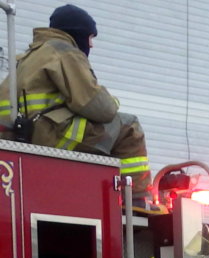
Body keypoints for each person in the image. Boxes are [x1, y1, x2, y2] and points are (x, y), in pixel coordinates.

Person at [0, 5, 151, 201]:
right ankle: (136, 198)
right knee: (129, 126)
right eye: (90, 38)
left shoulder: (28, 57)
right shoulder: (64, 51)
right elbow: (99, 108)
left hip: (25, 138)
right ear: (77, 34)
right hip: (52, 136)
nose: (91, 45)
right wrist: (112, 102)